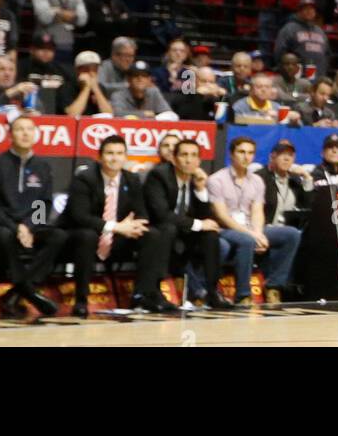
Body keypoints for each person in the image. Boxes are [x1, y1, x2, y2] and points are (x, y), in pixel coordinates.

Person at [62, 135, 177, 316]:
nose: (114, 158)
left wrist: (134, 226)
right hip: (87, 236)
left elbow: (142, 213)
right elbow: (79, 216)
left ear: (125, 157)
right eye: (109, 153)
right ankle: (81, 300)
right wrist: (115, 227)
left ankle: (142, 294)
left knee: (152, 234)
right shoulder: (85, 178)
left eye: (119, 153)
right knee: (87, 236)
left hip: (118, 239)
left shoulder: (132, 179)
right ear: (99, 156)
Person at [0, 116, 68, 318]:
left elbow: (43, 204)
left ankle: (19, 291)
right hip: (0, 225)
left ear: (36, 134)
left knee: (58, 236)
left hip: (30, 226)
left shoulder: (43, 166)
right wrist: (16, 226)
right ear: (10, 135)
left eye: (29, 129)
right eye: (19, 129)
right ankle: (28, 291)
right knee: (3, 234)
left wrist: (28, 226)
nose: (25, 133)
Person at [206, 137, 300, 306]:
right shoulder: (216, 179)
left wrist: (258, 233)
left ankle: (273, 286)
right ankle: (243, 295)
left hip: (251, 228)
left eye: (250, 153)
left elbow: (257, 211)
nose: (246, 157)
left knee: (292, 234)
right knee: (246, 240)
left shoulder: (257, 181)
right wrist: (252, 235)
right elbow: (222, 216)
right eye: (241, 152)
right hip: (224, 228)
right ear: (231, 154)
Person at [143, 138, 233, 310]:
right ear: (174, 159)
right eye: (184, 155)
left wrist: (200, 190)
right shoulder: (159, 176)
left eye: (193, 156)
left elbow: (205, 217)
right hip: (158, 231)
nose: (188, 160)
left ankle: (213, 292)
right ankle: (155, 292)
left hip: (183, 232)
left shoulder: (195, 179)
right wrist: (198, 224)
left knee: (211, 235)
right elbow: (161, 214)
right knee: (168, 229)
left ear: (199, 161)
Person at [58, 50, 115, 117]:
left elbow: (109, 114)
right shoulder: (66, 88)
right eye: (86, 70)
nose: (91, 73)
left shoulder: (100, 88)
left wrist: (96, 90)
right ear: (77, 70)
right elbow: (72, 115)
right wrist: (86, 88)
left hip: (95, 125)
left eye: (94, 70)